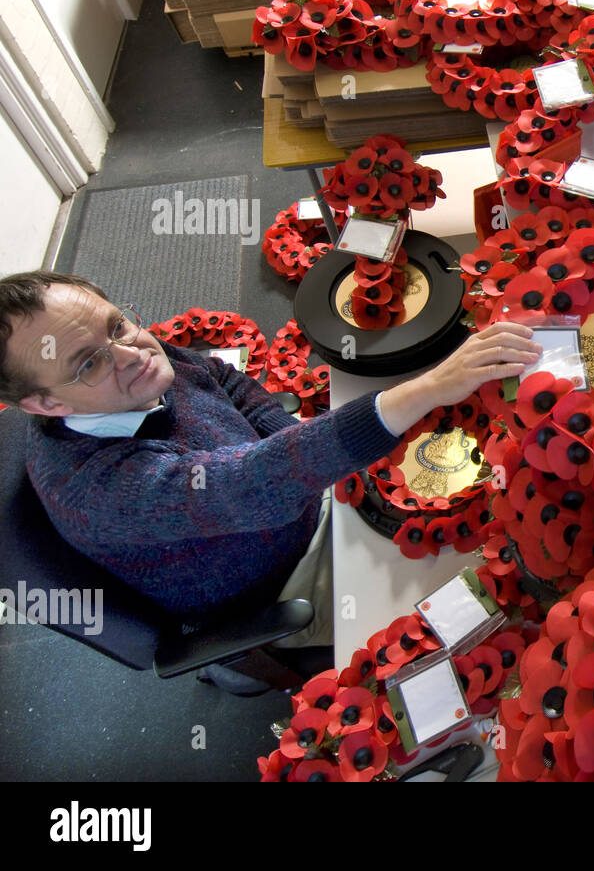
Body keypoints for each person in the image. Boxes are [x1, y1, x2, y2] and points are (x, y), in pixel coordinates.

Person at [0, 270, 541, 646]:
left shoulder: (131, 362)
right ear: (44, 403)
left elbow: (224, 380)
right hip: (286, 583)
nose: (131, 350)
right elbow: (251, 487)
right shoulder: (99, 491)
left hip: (306, 499)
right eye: (89, 362)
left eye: (116, 324)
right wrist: (428, 388)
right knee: (511, 583)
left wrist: (305, 455)